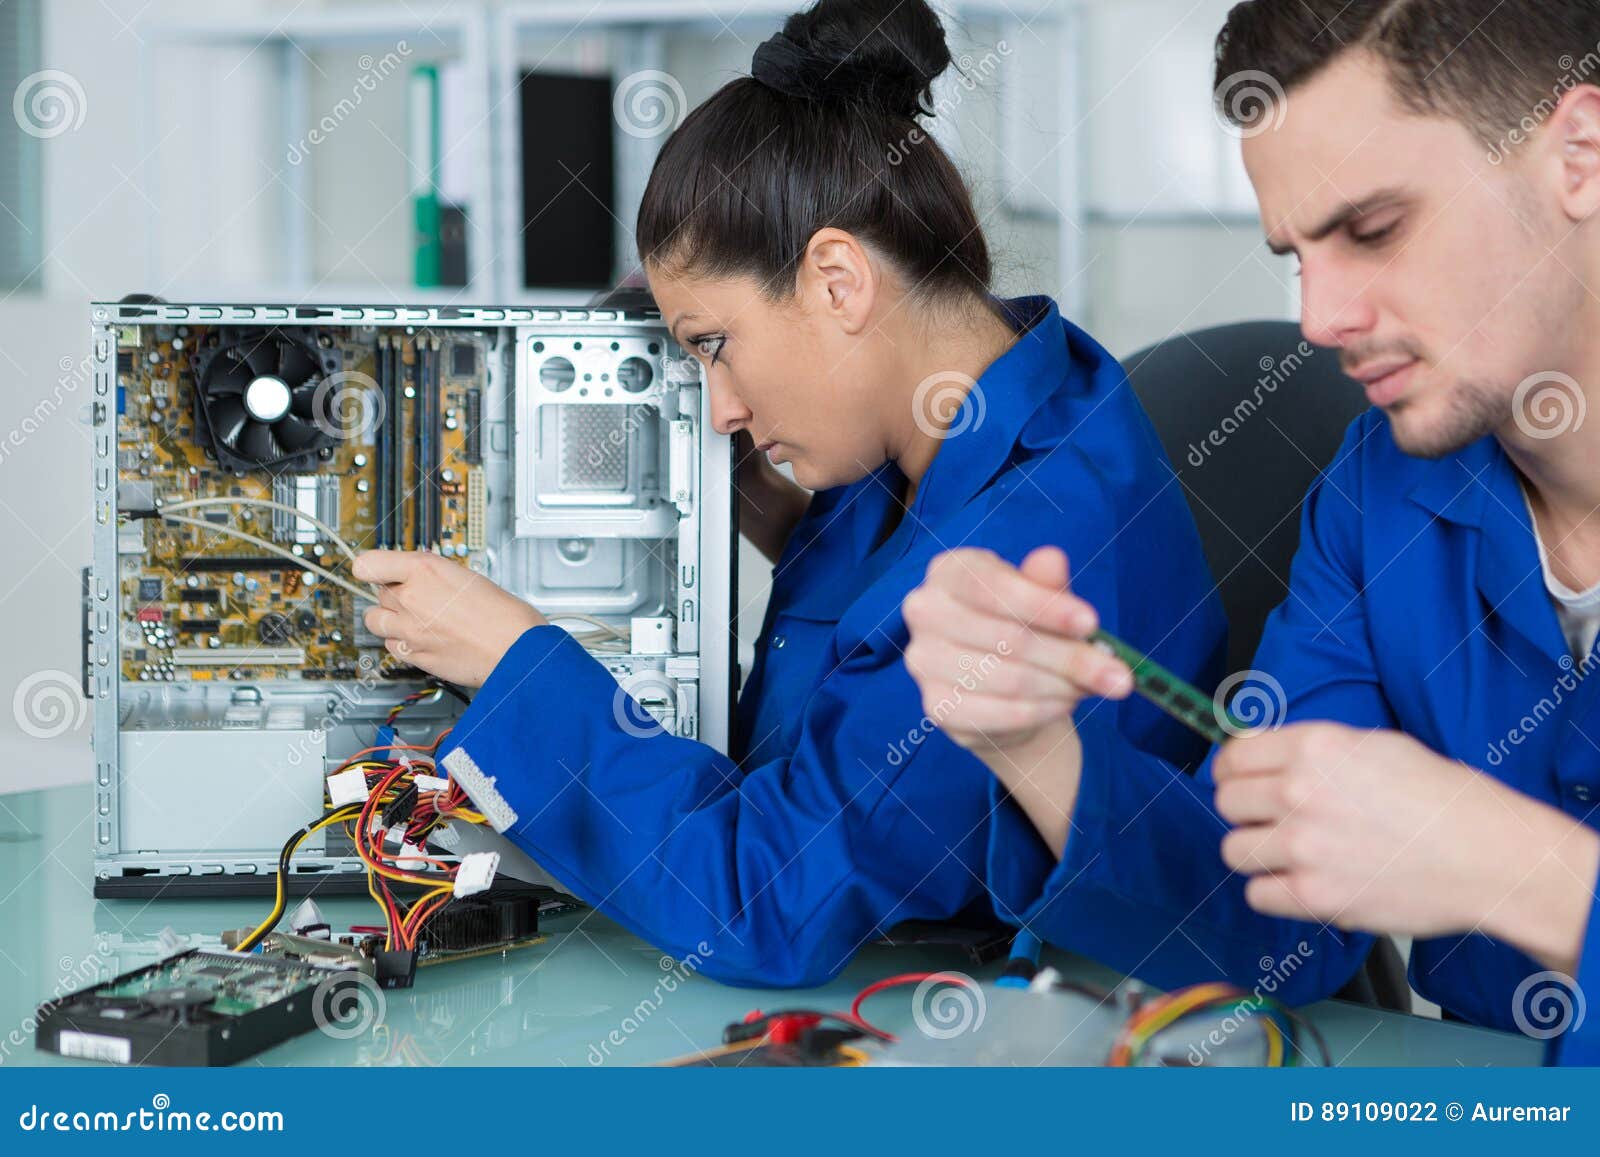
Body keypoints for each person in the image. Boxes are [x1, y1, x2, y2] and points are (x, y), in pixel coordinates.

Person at [351, 0, 1224, 985]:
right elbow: (866, 623)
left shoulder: (1019, 554)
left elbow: (763, 901)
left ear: (838, 280)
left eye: (714, 344)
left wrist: (515, 663)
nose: (721, 408)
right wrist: (771, 516)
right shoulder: (980, 401)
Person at [901, 0, 1600, 1062]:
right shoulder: (1376, 491)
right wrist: (1033, 744)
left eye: (1373, 230)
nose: (1319, 320)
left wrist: (1522, 871)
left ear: (1579, 155)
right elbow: (1276, 923)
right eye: (1297, 253)